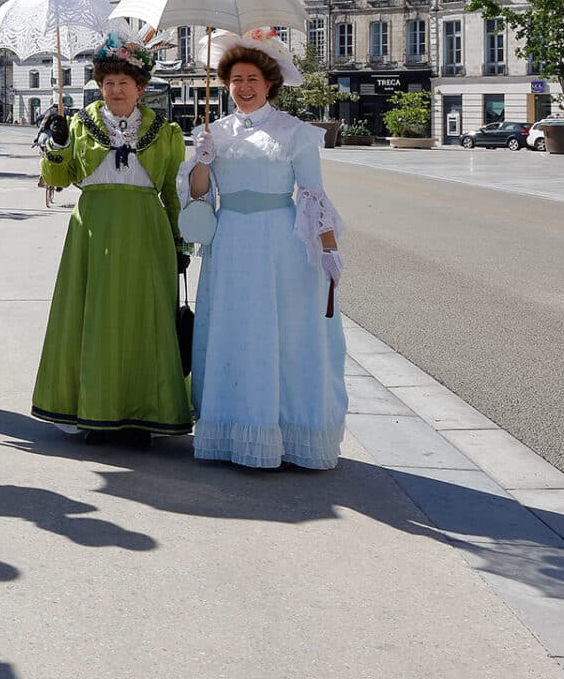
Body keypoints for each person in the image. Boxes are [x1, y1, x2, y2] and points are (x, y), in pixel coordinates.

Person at [182, 29, 348, 469]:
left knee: (284, 334)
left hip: (281, 243)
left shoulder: (295, 132)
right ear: (226, 84)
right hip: (230, 239)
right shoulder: (213, 131)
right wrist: (201, 159)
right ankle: (234, 428)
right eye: (236, 79)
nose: (244, 87)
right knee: (233, 330)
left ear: (270, 83)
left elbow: (313, 194)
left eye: (252, 78)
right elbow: (199, 196)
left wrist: (328, 251)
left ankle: (286, 432)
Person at [29, 33, 191, 444]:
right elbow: (57, 180)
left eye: (124, 83)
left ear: (141, 86)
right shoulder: (81, 125)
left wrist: (179, 242)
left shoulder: (164, 131)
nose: (116, 91)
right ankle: (95, 410)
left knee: (143, 321)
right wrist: (59, 146)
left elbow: (170, 191)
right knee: (96, 318)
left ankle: (139, 415)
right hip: (93, 230)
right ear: (99, 86)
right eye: (108, 84)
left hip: (146, 233)